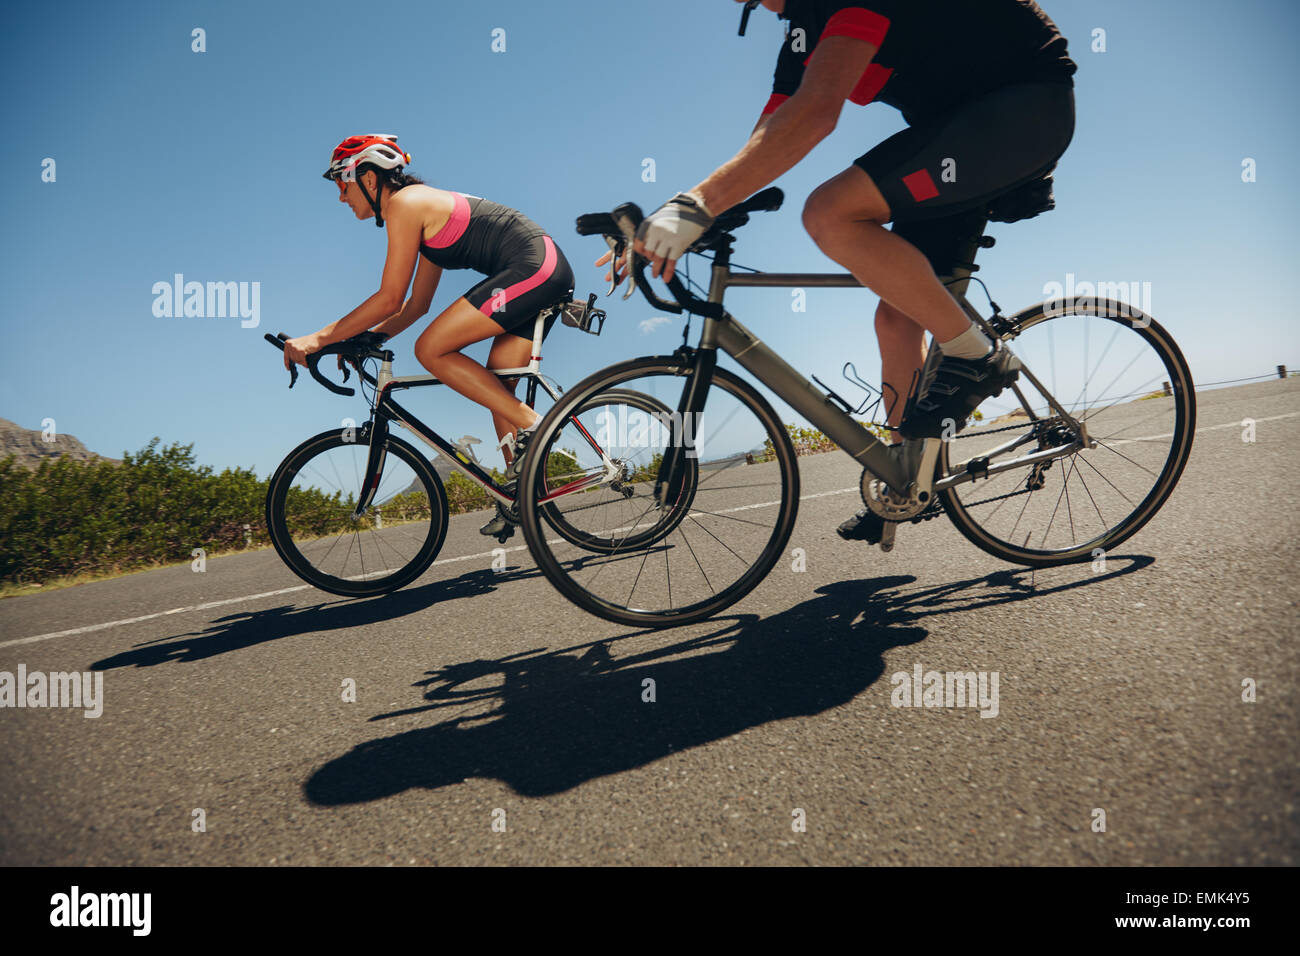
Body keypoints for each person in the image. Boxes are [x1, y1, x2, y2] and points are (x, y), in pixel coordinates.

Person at [619, 0, 1076, 540]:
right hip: (959, 129)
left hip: (1022, 108)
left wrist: (692, 209)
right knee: (896, 317)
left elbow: (816, 113)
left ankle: (979, 357)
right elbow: (773, 129)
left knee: (829, 212)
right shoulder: (802, 33)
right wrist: (694, 215)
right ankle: (910, 477)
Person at [284, 134, 576, 539]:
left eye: (342, 184)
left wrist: (316, 339)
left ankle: (537, 426)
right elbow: (415, 305)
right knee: (498, 383)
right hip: (539, 269)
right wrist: (363, 341)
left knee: (431, 348)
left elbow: (389, 297)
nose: (340, 197)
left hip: (534, 267)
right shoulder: (419, 212)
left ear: (368, 179)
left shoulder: (406, 203)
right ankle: (520, 495)